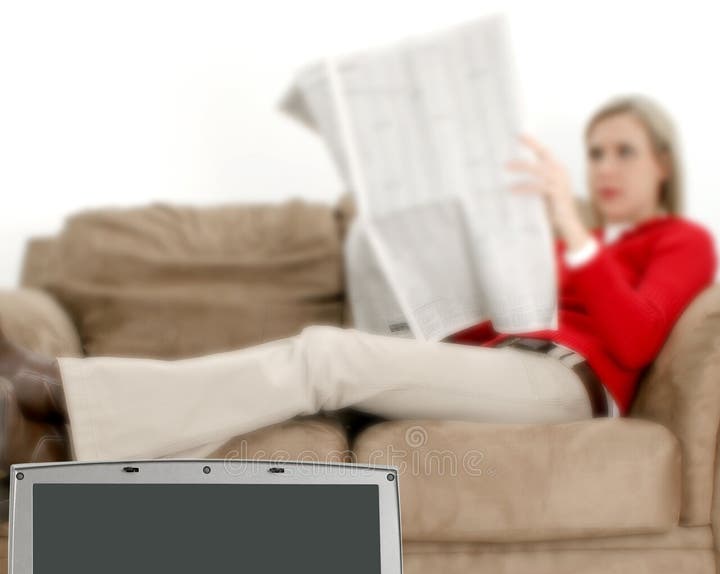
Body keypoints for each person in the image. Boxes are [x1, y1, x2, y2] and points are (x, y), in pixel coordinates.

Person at [0, 94, 716, 469]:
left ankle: (58, 388)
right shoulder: (557, 242)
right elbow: (489, 326)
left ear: (662, 161)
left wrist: (576, 232)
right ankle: (59, 448)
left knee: (325, 356)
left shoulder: (681, 241)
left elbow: (636, 333)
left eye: (624, 151)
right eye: (595, 152)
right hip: (503, 363)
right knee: (328, 361)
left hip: (571, 387)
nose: (606, 167)